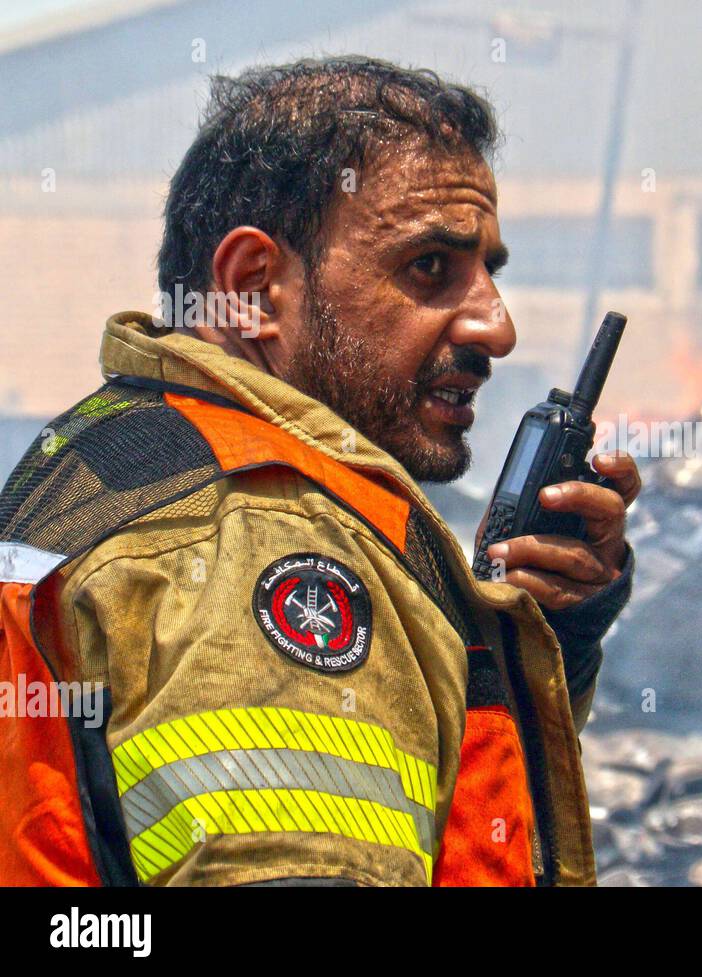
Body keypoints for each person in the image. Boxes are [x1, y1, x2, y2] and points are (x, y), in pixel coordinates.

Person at [0, 56, 637, 887]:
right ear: (253, 289)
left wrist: (559, 632)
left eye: (489, 271)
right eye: (429, 268)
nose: (496, 326)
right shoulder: (262, 532)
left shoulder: (114, 450)